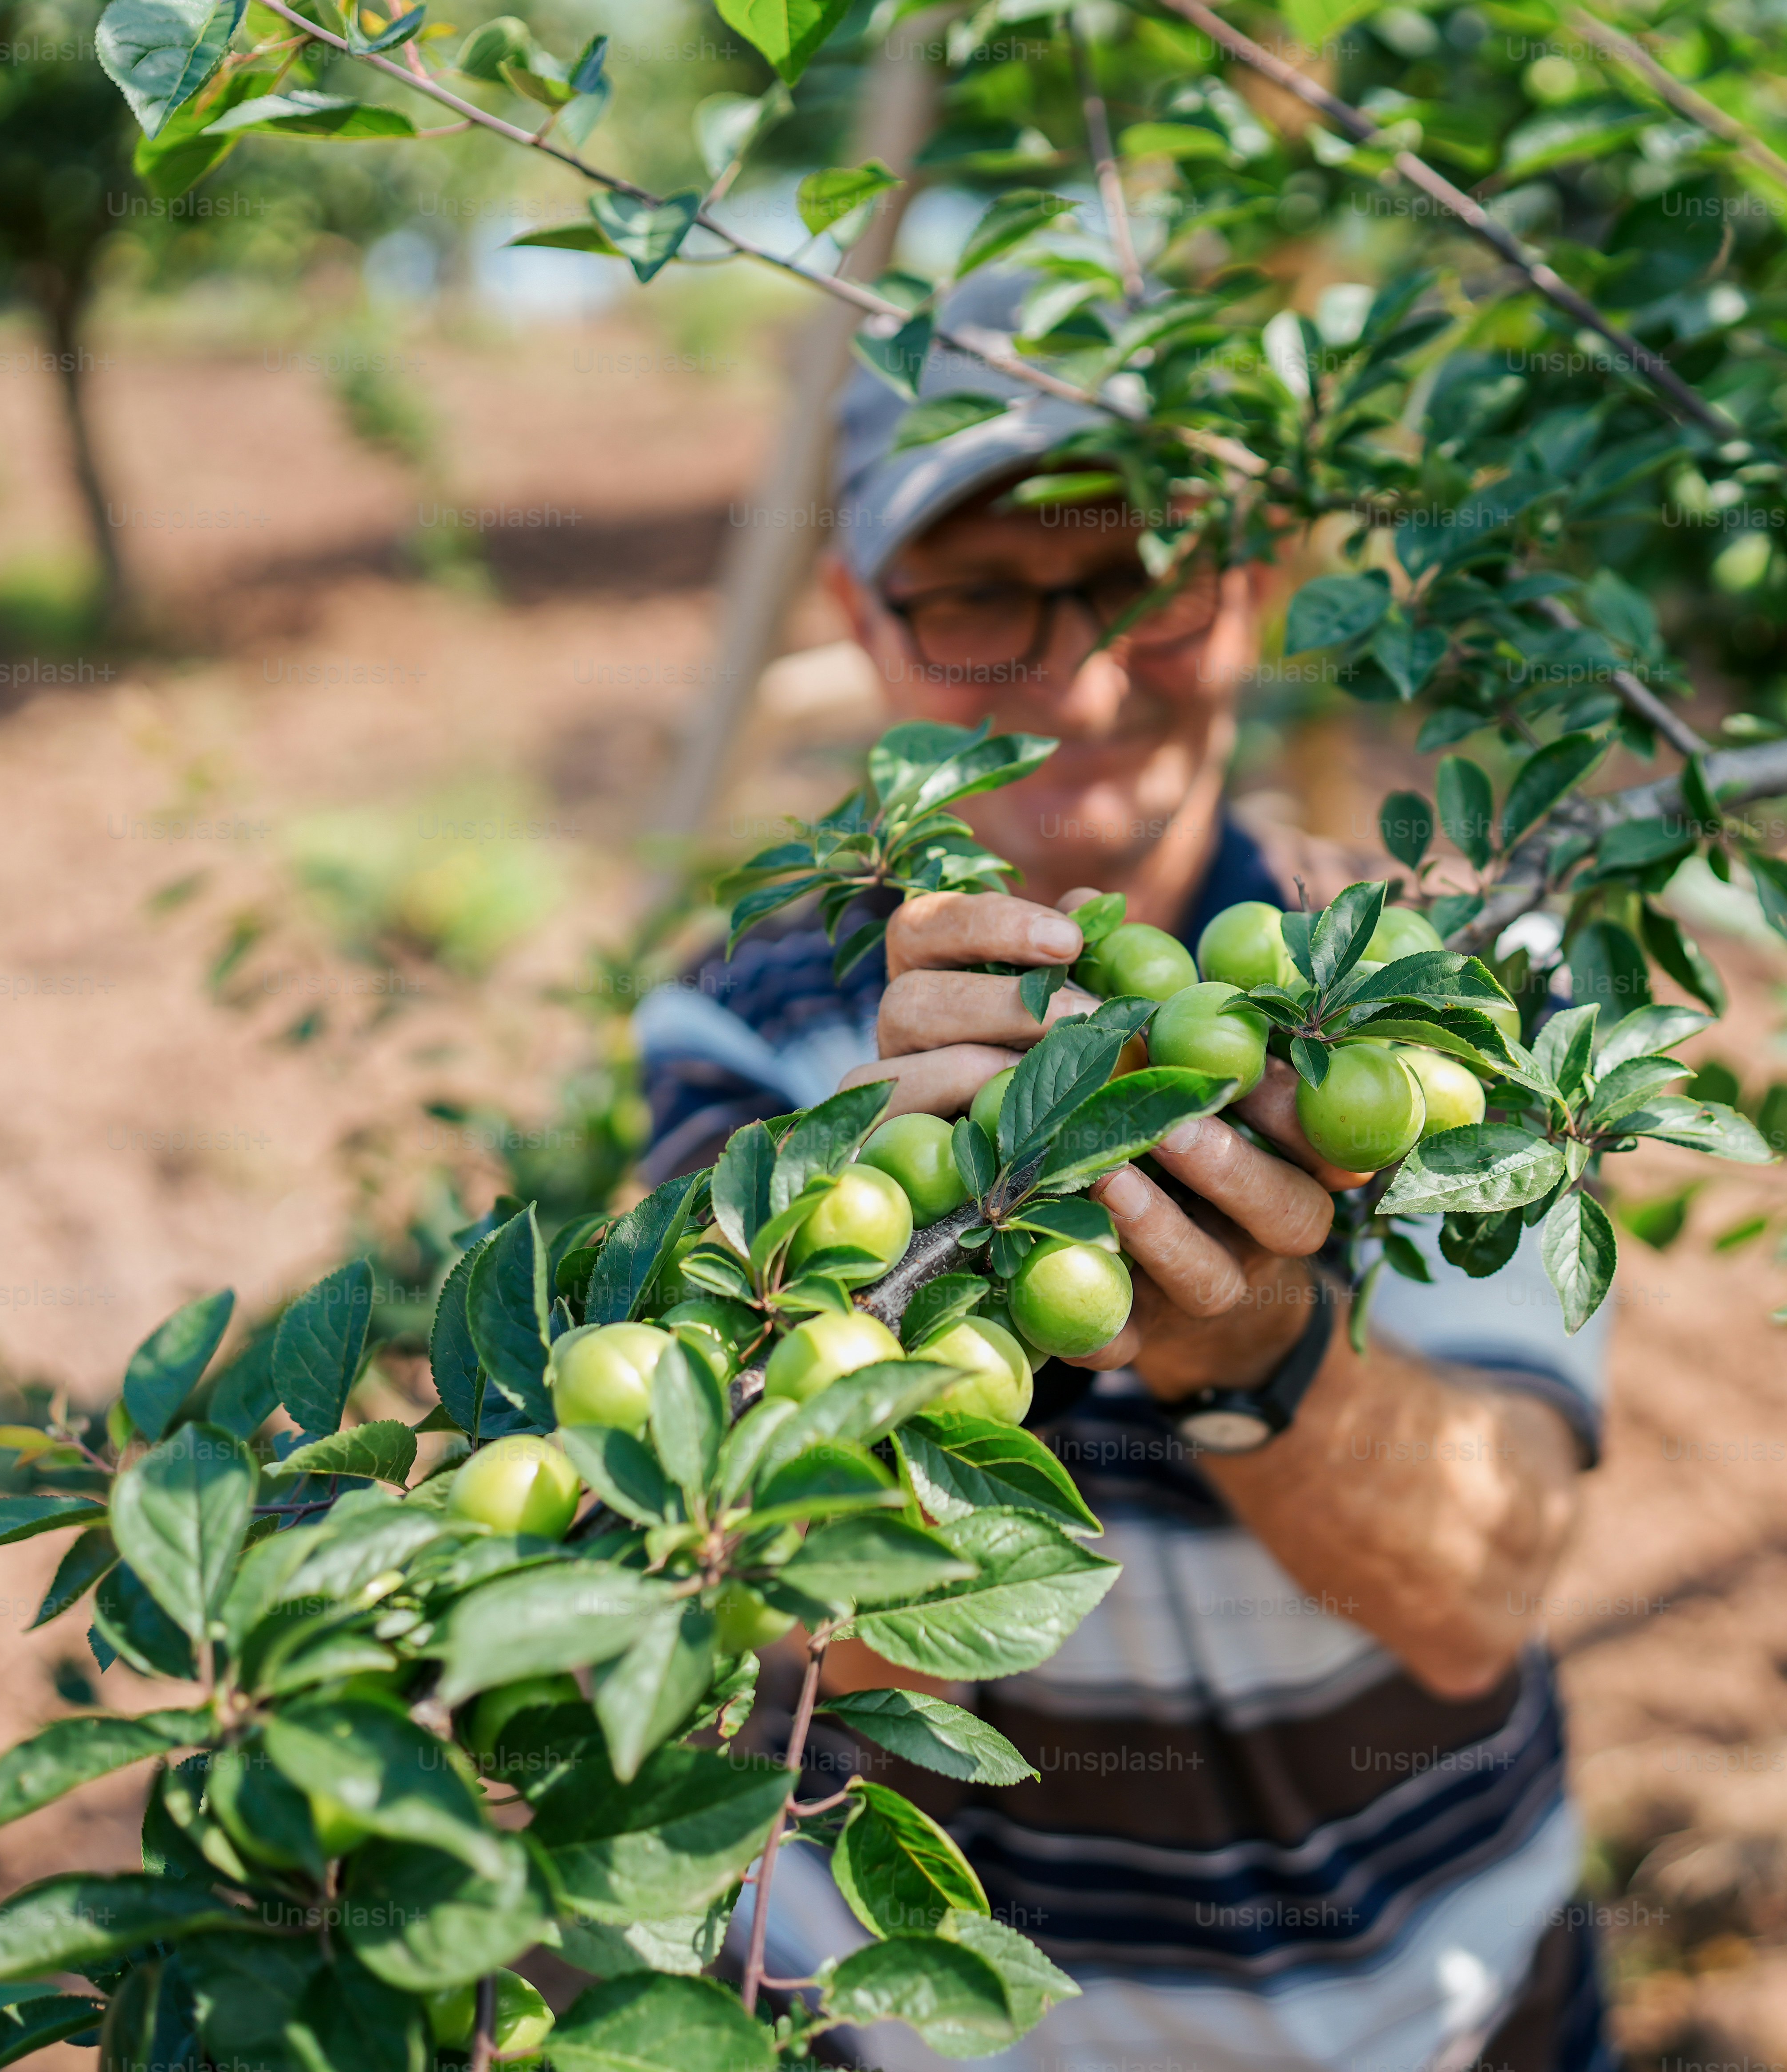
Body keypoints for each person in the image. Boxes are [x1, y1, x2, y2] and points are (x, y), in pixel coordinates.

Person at [632, 274, 1618, 2072]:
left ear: (1247, 582)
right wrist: (905, 1206)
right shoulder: (755, 1042)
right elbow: (815, 1656)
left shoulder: (1434, 993)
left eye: (1142, 574)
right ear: (865, 616)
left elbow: (1484, 1587)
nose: (1081, 671)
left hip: (1448, 2014)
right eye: (982, 595)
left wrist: (1256, 1346)